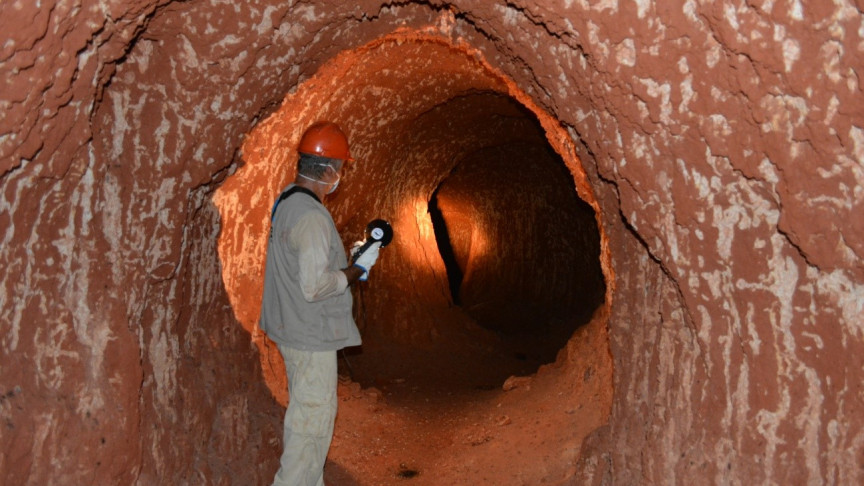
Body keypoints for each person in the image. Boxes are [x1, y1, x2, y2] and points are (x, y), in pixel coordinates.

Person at [259, 121, 381, 486]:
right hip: (308, 333)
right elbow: (315, 285)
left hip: (288, 324)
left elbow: (299, 265)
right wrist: (356, 269)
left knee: (306, 416)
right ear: (329, 170)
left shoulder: (287, 199)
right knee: (311, 424)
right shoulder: (312, 217)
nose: (339, 176)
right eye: (340, 168)